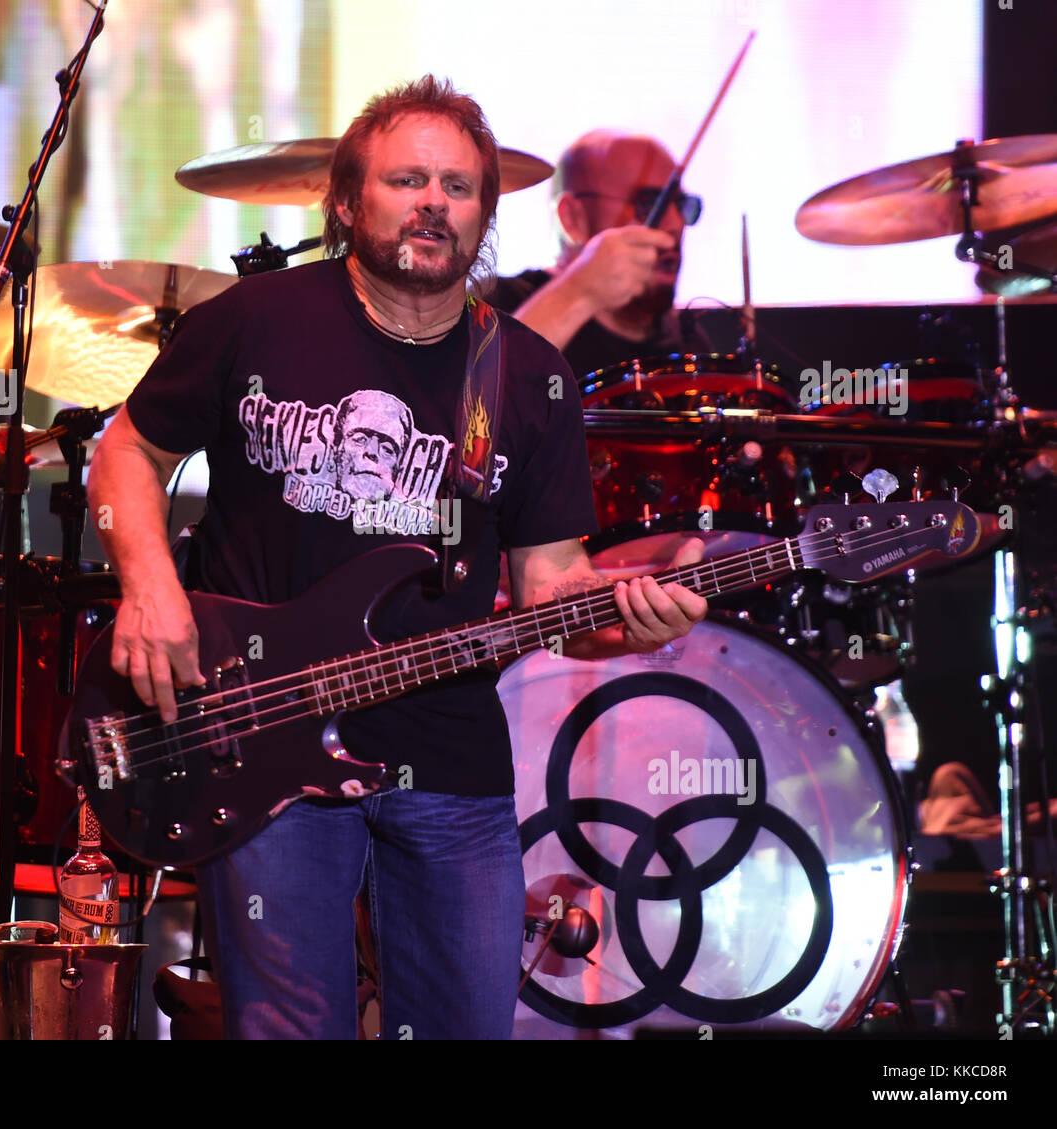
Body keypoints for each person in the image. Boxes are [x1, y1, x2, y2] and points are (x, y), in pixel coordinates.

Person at [86, 75, 707, 1040]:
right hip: (264, 745)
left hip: (449, 759)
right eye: (407, 179)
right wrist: (152, 590)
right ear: (346, 202)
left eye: (459, 188)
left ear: (486, 217)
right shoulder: (254, 321)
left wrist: (627, 623)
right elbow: (127, 448)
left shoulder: (529, 375)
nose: (433, 202)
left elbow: (552, 593)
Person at [487, 131, 705, 377]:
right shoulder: (493, 305)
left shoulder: (687, 341)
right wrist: (579, 291)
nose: (675, 224)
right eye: (651, 203)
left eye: (682, 205)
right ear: (572, 219)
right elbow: (475, 397)